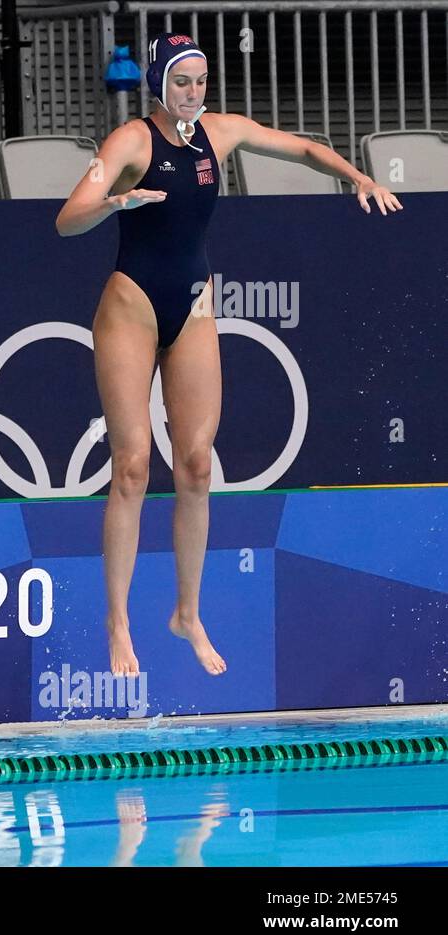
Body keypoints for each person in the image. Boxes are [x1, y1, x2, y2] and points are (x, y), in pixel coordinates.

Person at [55, 33, 401, 677]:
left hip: (193, 306)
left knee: (196, 465)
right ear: (160, 84)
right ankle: (118, 621)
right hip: (129, 308)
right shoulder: (131, 141)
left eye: (201, 80)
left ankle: (186, 613)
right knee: (132, 466)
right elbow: (66, 219)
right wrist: (114, 202)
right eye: (183, 81)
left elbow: (300, 148)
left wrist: (356, 176)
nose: (194, 91)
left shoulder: (220, 133)